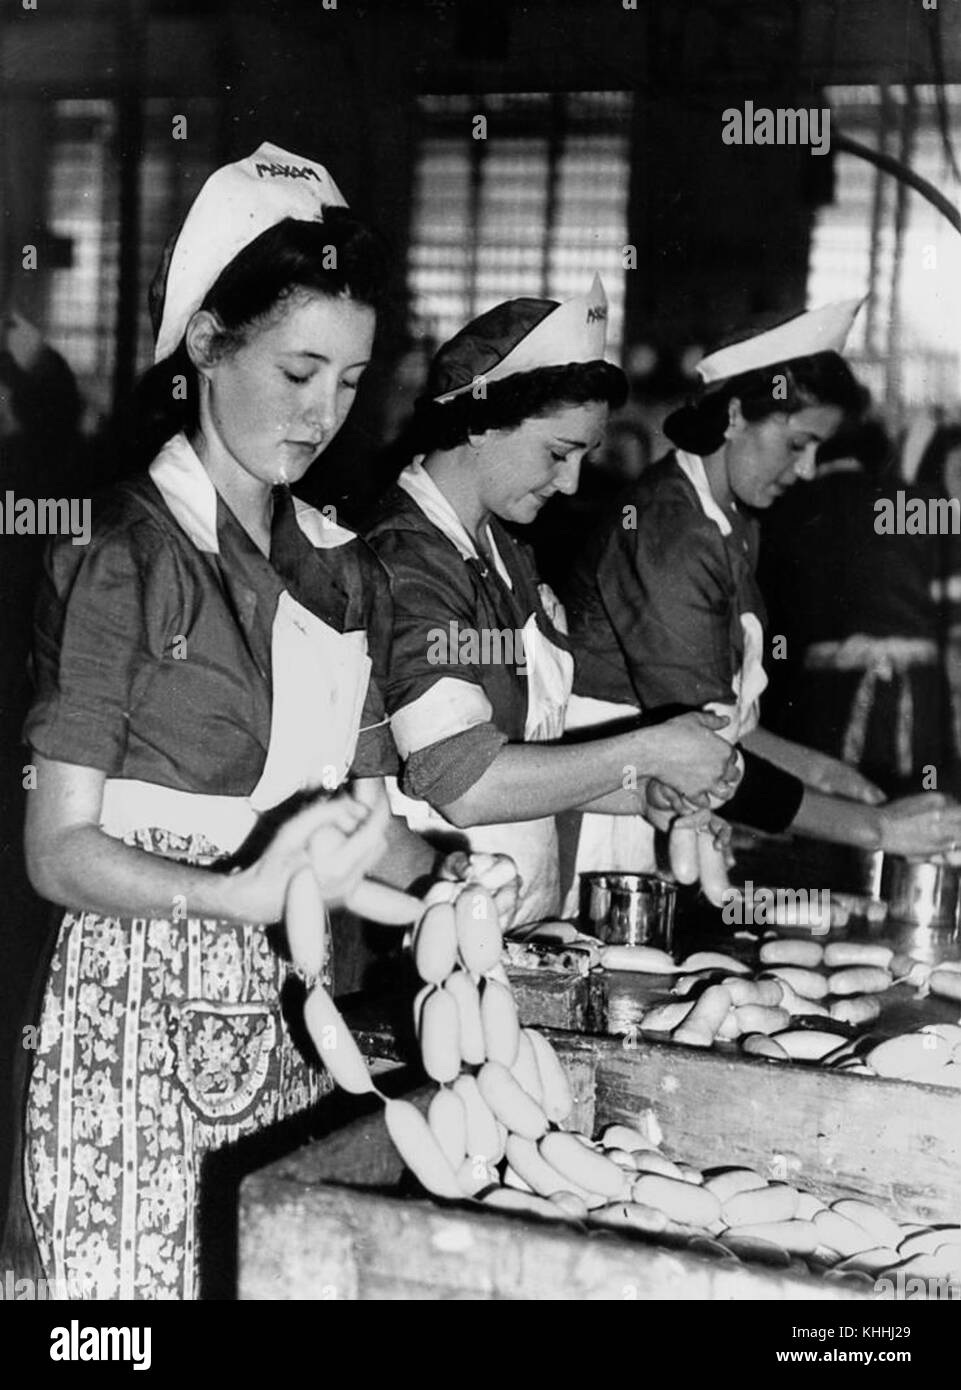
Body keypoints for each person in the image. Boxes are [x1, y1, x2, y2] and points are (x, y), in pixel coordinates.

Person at [20, 142, 515, 1301]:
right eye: (297, 371)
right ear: (204, 344)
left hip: (286, 1012)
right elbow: (57, 851)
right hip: (132, 1023)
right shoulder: (121, 557)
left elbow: (358, 823)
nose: (323, 414)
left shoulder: (341, 566)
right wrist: (236, 893)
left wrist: (450, 878)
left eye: (348, 382)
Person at [366, 278, 741, 925]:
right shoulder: (407, 561)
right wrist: (647, 750)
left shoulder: (500, 550)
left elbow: (535, 749)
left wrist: (638, 794)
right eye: (557, 453)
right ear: (480, 421)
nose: (570, 483)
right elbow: (463, 784)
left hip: (507, 921)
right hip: (424, 922)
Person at [562, 300, 961, 862]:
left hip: (669, 806)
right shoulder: (670, 531)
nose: (805, 471)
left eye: (817, 450)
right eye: (797, 445)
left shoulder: (731, 521)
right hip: (604, 829)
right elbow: (704, 754)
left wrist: (823, 771)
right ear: (734, 417)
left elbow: (723, 721)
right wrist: (876, 828)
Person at [759, 419, 961, 798]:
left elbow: (775, 627)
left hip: (823, 701)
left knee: (833, 809)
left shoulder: (789, 507)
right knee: (917, 808)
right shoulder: (920, 503)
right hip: (918, 699)